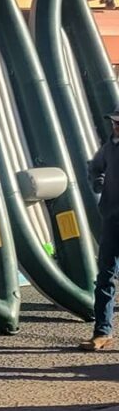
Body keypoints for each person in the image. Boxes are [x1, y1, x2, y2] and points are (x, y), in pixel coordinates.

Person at [83, 108, 119, 350]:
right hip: (113, 220)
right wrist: (98, 181)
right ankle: (102, 332)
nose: (115, 126)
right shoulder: (110, 147)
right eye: (114, 122)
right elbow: (95, 166)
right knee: (105, 277)